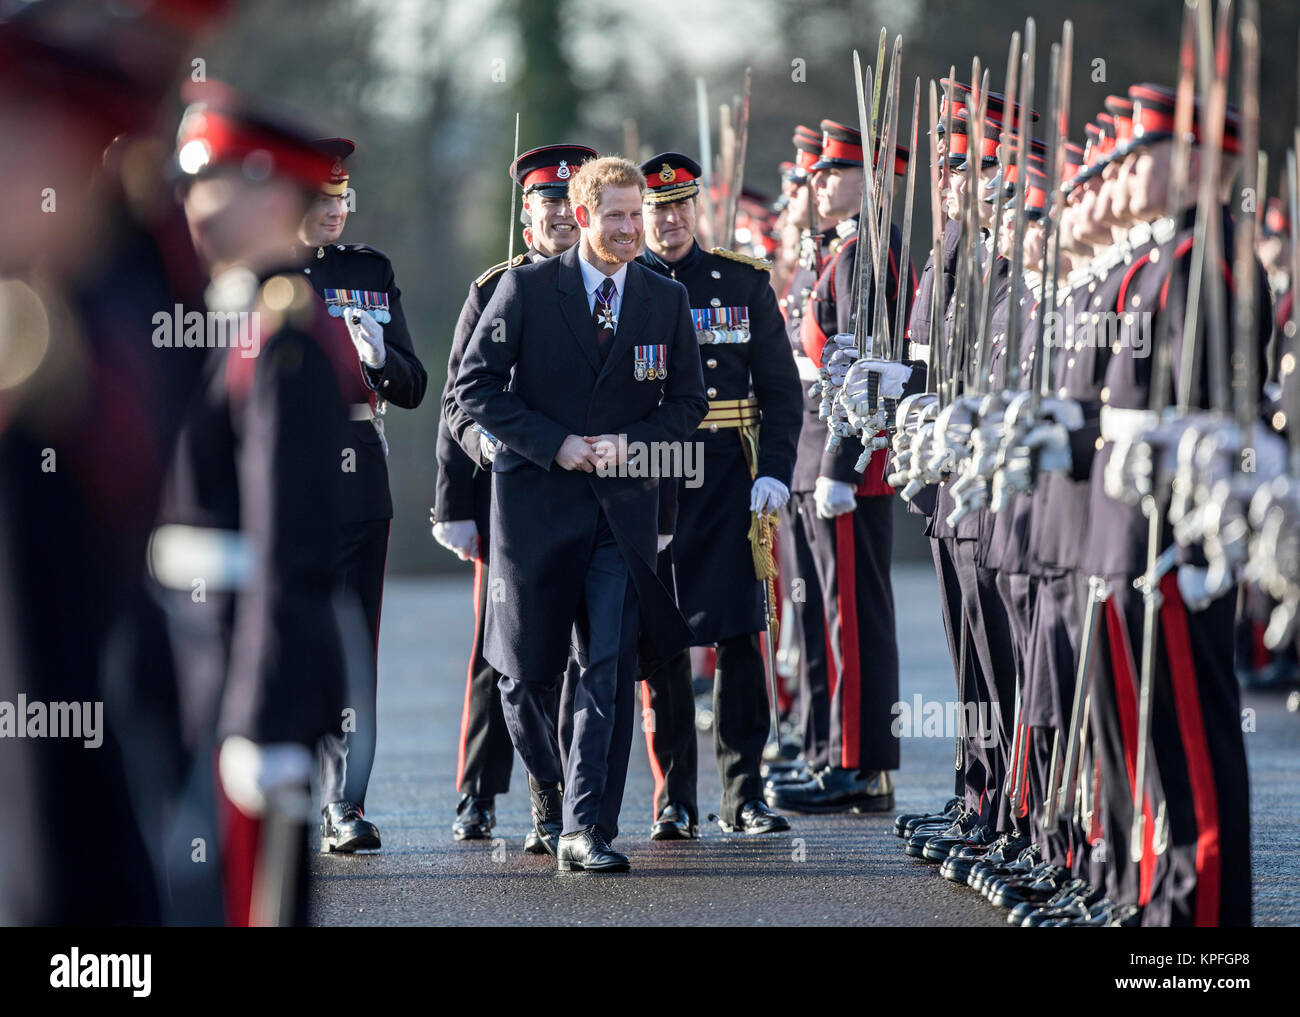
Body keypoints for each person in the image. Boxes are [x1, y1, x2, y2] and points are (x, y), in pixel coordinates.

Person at [454, 156, 707, 872]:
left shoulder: (664, 298)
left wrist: (632, 445)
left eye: (640, 214)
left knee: (606, 668)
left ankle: (585, 825)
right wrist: (553, 443)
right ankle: (548, 783)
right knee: (522, 673)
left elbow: (688, 405)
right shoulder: (527, 289)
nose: (634, 228)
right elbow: (473, 387)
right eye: (619, 215)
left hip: (621, 514)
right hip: (534, 506)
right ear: (584, 216)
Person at [432, 143, 597, 847]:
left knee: (585, 652)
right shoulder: (494, 288)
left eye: (570, 201)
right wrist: (457, 498)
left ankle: (569, 796)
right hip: (511, 497)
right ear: (526, 215)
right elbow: (457, 405)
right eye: (547, 202)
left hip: (592, 492)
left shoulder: (620, 284)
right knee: (500, 650)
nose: (560, 213)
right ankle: (479, 789)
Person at [636, 151, 803, 836]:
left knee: (740, 634)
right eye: (655, 208)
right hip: (653, 477)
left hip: (731, 472)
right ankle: (673, 796)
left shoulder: (740, 281)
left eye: (679, 206)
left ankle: (745, 794)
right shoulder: (626, 285)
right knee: (663, 642)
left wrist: (776, 470)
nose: (669, 220)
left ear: (696, 207)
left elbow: (781, 391)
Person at [296, 138, 429, 854]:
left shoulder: (370, 271)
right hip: (283, 469)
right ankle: (286, 795)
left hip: (357, 463)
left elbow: (413, 384)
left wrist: (380, 358)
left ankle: (345, 803)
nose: (334, 212)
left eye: (341, 200)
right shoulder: (262, 271)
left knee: (355, 645)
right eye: (321, 199)